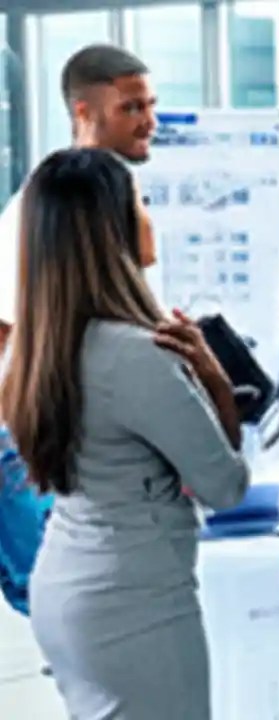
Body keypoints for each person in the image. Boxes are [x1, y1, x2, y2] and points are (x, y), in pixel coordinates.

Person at [0, 148, 247, 719]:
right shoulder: (134, 355)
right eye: (141, 205)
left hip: (65, 586)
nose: (151, 219)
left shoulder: (30, 351)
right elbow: (225, 485)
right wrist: (216, 385)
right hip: (136, 602)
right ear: (108, 230)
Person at [0, 43, 156, 333]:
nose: (150, 122)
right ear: (83, 113)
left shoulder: (124, 193)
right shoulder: (41, 204)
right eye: (131, 108)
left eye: (150, 105)